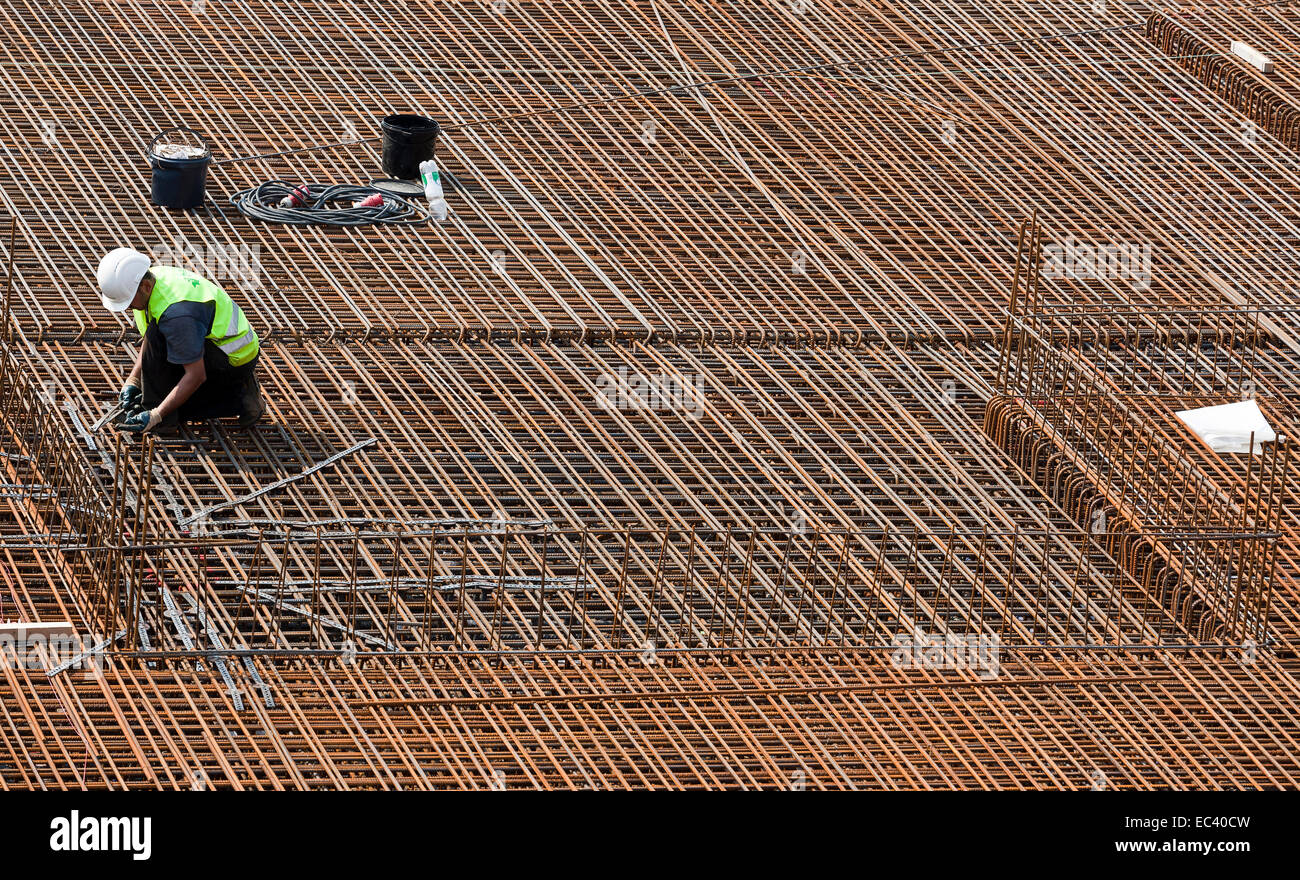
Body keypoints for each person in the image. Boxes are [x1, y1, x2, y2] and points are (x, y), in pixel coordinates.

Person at [96, 247, 264, 433]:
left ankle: (240, 396)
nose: (128, 308)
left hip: (231, 358)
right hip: (208, 342)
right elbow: (151, 342)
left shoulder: (177, 315)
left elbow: (195, 375)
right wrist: (133, 380)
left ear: (145, 286)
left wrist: (156, 414)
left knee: (172, 407)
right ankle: (237, 393)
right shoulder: (152, 280)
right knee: (156, 389)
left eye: (128, 302)